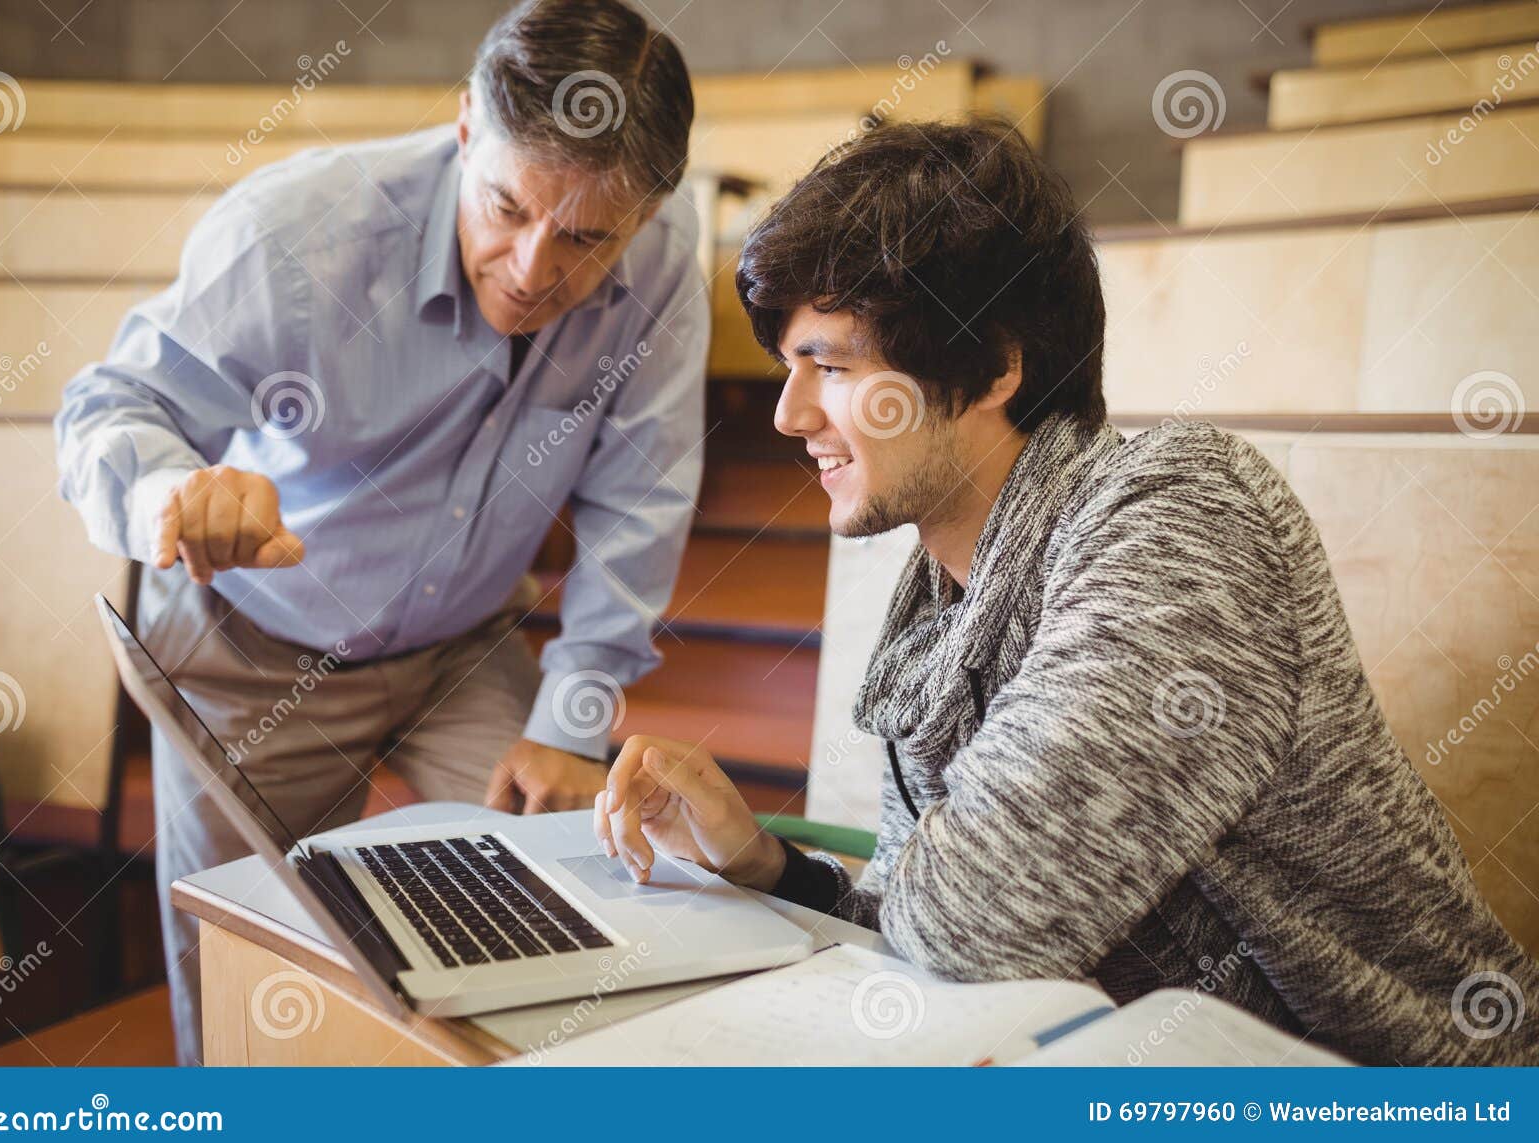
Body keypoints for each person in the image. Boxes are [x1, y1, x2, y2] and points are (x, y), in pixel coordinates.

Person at [594, 116, 1539, 1066]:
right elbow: (918, 924)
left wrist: (919, 891)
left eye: (832, 365)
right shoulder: (943, 601)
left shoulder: (1185, 512)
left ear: (998, 364)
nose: (791, 414)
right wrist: (761, 862)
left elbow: (979, 921)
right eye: (789, 367)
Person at [55, 0, 707, 1065]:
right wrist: (168, 495)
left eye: (587, 237)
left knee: (570, 904)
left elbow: (643, 493)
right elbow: (109, 409)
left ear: (647, 210)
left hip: (463, 646)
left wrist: (576, 709)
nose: (534, 269)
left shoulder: (666, 254)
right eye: (505, 206)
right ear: (463, 128)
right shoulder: (294, 232)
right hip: (251, 650)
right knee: (249, 977)